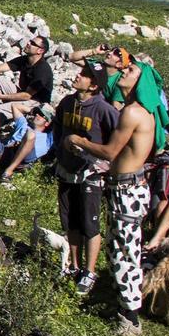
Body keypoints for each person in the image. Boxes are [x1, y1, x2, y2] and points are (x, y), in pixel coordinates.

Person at [66, 63, 162, 336]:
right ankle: (122, 304)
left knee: (125, 251)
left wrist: (79, 141)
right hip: (127, 188)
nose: (124, 71)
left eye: (131, 71)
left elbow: (110, 152)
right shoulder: (137, 110)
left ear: (140, 82)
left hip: (127, 191)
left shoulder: (133, 112)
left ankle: (130, 317)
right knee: (119, 247)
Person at [51, 61, 119, 296]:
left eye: (84, 75)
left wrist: (105, 164)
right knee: (70, 220)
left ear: (94, 86)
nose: (78, 76)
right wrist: (59, 150)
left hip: (91, 173)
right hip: (66, 170)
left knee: (90, 223)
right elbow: (57, 127)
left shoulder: (104, 110)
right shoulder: (67, 102)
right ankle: (74, 265)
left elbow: (117, 140)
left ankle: (89, 271)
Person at [0, 35, 54, 177]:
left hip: (35, 102)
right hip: (22, 93)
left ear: (40, 51)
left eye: (33, 43)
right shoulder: (25, 60)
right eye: (29, 41)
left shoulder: (43, 70)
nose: (28, 43)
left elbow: (27, 96)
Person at [0, 102, 55, 187]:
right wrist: (32, 111)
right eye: (37, 113)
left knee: (30, 134)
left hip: (26, 157)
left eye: (41, 115)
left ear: (47, 123)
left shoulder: (48, 138)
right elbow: (15, 106)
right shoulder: (24, 124)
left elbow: (61, 126)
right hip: (7, 151)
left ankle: (8, 172)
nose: (37, 115)